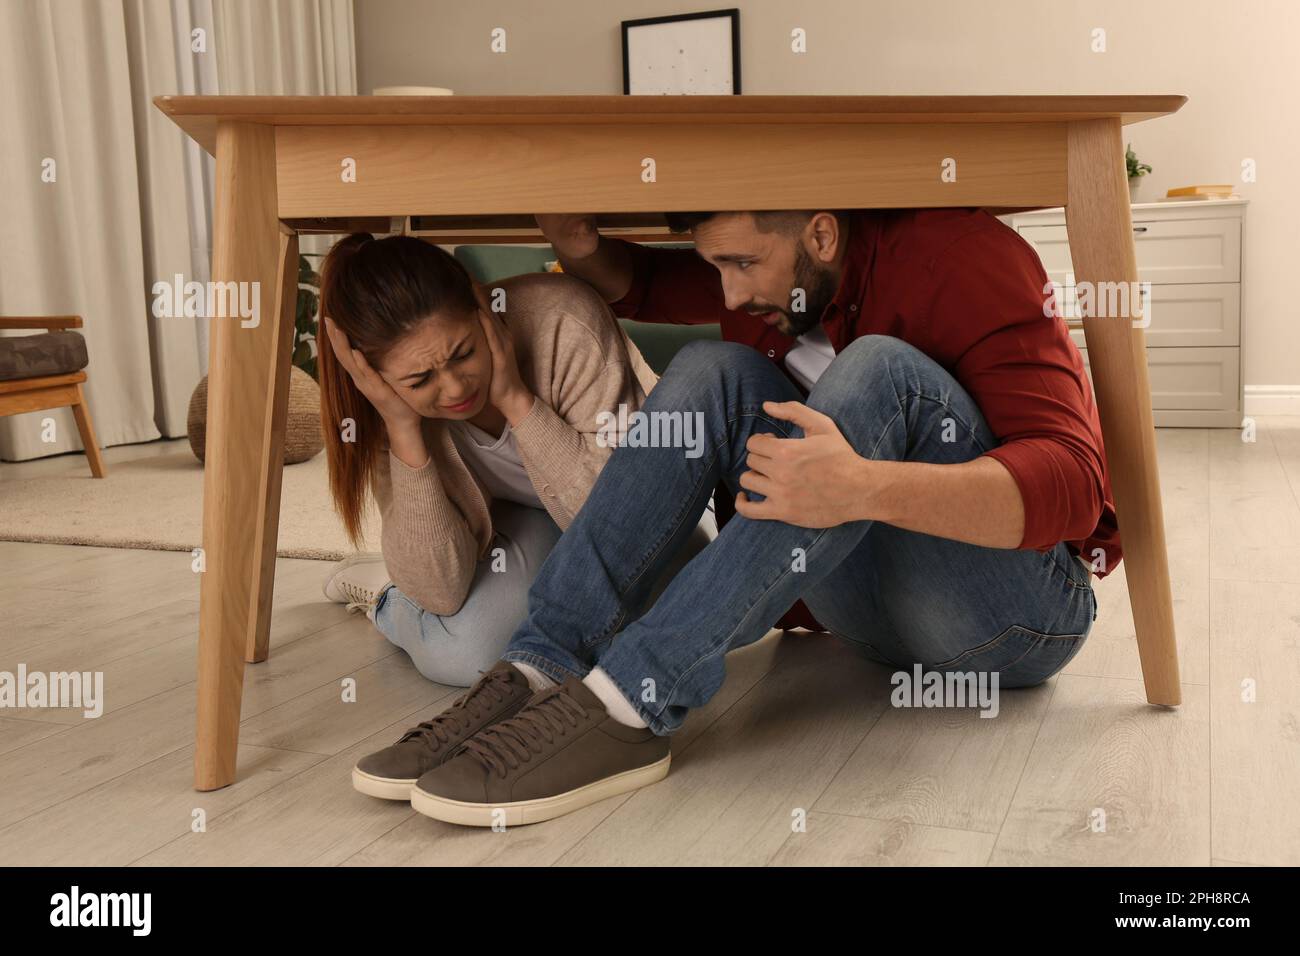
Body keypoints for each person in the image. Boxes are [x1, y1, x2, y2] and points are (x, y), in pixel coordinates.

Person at [362, 208, 1115, 827]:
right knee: (707, 369)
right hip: (860, 618)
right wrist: (582, 246)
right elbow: (651, 280)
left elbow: (1076, 486)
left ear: (821, 235)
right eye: (714, 267)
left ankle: (632, 701)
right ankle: (540, 664)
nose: (724, 296)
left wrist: (868, 488)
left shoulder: (963, 255)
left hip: (1014, 624)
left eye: (741, 266)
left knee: (878, 368)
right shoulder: (775, 268)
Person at [314, 233, 712, 800]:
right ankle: (385, 595)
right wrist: (403, 427)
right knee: (470, 651)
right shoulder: (382, 404)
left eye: (463, 354)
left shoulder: (561, 321)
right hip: (509, 536)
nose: (454, 388)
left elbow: (623, 529)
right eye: (420, 381)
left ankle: (401, 589)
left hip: (616, 517)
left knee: (683, 589)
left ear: (480, 306)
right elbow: (441, 591)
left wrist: (515, 398)